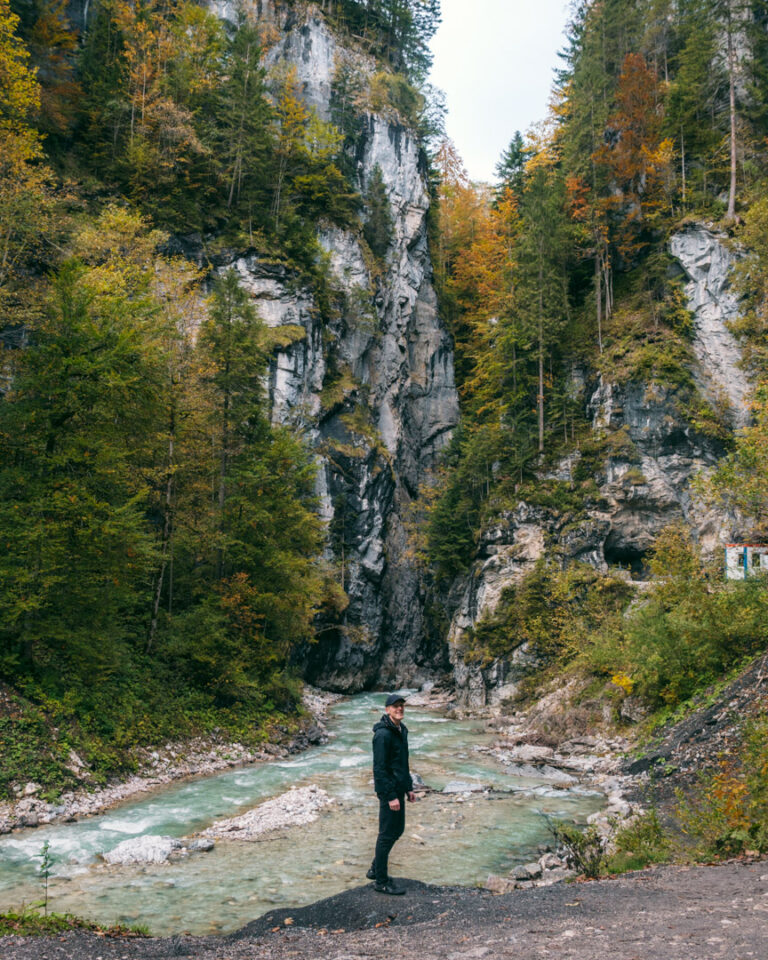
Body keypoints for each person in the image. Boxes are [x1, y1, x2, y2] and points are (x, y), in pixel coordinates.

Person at [367, 693, 416, 895]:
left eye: (402, 706)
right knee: (387, 835)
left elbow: (402, 764)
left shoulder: (400, 730)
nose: (400, 709)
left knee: (398, 830)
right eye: (395, 706)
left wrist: (409, 787)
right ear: (387, 710)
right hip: (389, 791)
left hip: (398, 788)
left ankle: (375, 868)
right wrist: (389, 796)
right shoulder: (383, 735)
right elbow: (379, 769)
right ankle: (381, 881)